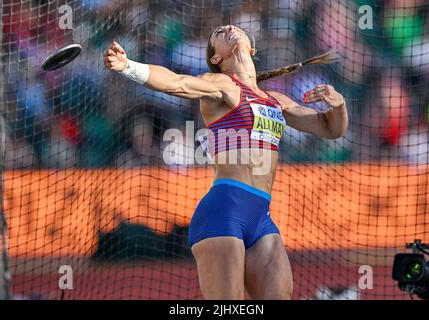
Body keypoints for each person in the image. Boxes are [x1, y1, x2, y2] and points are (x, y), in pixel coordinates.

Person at [103, 25, 348, 300]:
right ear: (217, 59)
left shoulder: (277, 101)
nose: (229, 28)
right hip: (223, 213)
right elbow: (176, 82)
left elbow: (331, 129)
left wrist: (338, 105)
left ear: (251, 49)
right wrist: (127, 66)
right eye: (219, 33)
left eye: (233, 29)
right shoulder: (223, 86)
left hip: (262, 219)